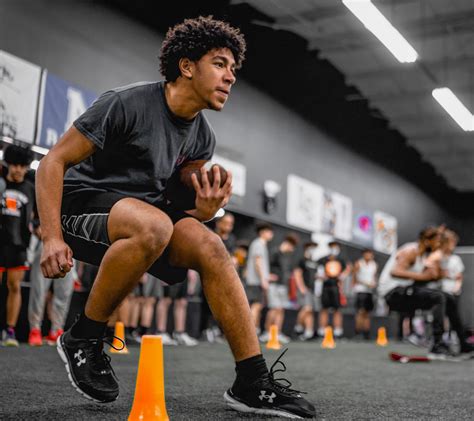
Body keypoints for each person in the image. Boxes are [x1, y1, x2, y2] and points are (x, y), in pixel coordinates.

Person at [35, 16, 315, 418]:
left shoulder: (203, 137)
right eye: (220, 63)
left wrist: (201, 212)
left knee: (210, 245)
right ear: (187, 66)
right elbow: (52, 162)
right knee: (153, 224)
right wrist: (50, 237)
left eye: (233, 69)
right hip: (78, 206)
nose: (230, 77)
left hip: (141, 217)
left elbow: (175, 206)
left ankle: (251, 381)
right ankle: (84, 337)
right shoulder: (125, 103)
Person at [378, 226, 473, 358]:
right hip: (392, 293)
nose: (439, 245)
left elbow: (434, 277)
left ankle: (464, 345)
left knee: (449, 298)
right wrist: (425, 276)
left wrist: (436, 261)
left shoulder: (427, 256)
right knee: (438, 297)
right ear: (427, 241)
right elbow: (395, 272)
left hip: (406, 291)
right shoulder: (411, 250)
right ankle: (437, 345)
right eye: (437, 242)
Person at [0, 144, 35, 346]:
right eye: (14, 165)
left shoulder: (31, 189)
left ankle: (10, 331)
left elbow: (38, 216)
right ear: (8, 164)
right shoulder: (1, 184)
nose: (17, 169)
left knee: (15, 286)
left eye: (22, 166)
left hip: (18, 245)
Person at [28, 224, 76, 346]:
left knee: (64, 292)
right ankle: (35, 329)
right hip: (46, 243)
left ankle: (57, 330)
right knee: (39, 290)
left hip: (69, 245)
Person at [199, 211, 236, 342]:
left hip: (224, 277)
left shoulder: (231, 240)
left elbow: (233, 258)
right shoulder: (210, 235)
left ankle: (217, 330)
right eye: (226, 223)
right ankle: (205, 330)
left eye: (231, 224)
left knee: (222, 306)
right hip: (208, 275)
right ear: (219, 223)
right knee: (208, 304)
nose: (228, 226)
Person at [260, 233, 299, 344]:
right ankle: (267, 332)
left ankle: (277, 333)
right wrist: (268, 276)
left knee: (281, 309)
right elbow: (264, 265)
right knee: (274, 308)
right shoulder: (274, 252)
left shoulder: (287, 256)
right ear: (287, 244)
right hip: (273, 285)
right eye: (292, 247)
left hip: (283, 286)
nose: (292, 250)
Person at [245, 222, 274, 335]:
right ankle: (250, 332)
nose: (271, 234)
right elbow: (258, 263)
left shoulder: (260, 244)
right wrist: (263, 279)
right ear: (262, 232)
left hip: (256, 280)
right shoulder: (259, 244)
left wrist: (267, 276)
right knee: (256, 306)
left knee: (257, 306)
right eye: (269, 231)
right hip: (256, 281)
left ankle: (253, 331)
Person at [156, 271, 198, 346]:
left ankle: (179, 333)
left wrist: (191, 270)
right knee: (165, 300)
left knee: (182, 301)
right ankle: (160, 332)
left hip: (183, 269)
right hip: (169, 268)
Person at [317, 241, 349, 339]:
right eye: (332, 247)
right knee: (324, 309)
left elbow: (348, 268)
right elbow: (317, 271)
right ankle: (322, 331)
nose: (334, 249)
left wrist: (343, 276)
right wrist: (320, 276)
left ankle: (338, 332)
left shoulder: (341, 260)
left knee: (337, 309)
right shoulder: (323, 260)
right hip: (325, 287)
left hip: (336, 287)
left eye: (335, 247)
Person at [293, 242, 319, 340]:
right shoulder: (301, 260)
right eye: (311, 247)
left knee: (310, 311)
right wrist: (301, 287)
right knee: (307, 308)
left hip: (312, 289)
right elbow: (297, 273)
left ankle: (308, 332)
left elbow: (314, 275)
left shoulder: (314, 262)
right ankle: (298, 326)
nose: (313, 249)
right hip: (304, 289)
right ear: (306, 248)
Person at [352, 249, 378, 340]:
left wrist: (374, 284)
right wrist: (365, 284)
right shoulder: (358, 263)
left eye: (370, 254)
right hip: (360, 291)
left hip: (369, 292)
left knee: (367, 313)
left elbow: (374, 277)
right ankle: (358, 332)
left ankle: (366, 333)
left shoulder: (374, 265)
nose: (369, 255)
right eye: (367, 254)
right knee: (360, 312)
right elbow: (354, 278)